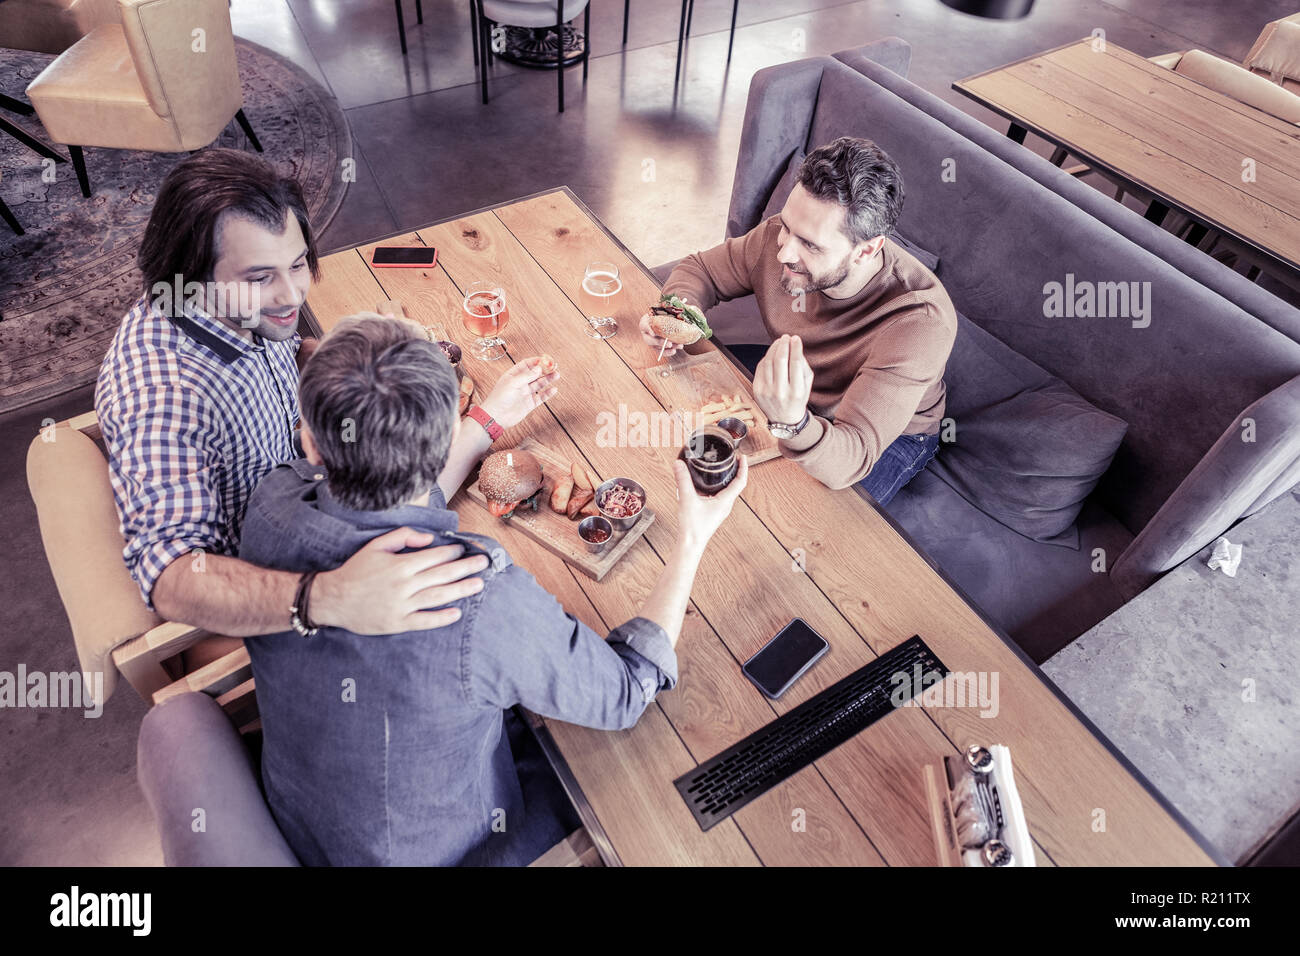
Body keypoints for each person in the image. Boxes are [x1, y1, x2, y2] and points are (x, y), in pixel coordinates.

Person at [238, 315, 749, 866]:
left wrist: (485, 423)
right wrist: (695, 533)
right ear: (440, 442)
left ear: (311, 441)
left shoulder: (271, 503)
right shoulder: (475, 597)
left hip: (303, 816)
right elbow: (624, 692)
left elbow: (391, 501)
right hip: (446, 849)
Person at [95, 149, 555, 659]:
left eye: (296, 263)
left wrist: (361, 355)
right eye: (259, 277)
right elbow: (172, 577)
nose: (294, 294)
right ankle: (482, 427)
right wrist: (329, 597)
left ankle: (482, 424)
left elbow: (289, 353)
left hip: (304, 500)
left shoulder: (228, 309)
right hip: (278, 589)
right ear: (192, 271)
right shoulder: (165, 396)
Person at [642, 136, 957, 504]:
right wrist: (677, 312)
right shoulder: (785, 233)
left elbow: (851, 457)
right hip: (799, 389)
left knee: (795, 515)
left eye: (810, 244)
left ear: (867, 249)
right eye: (787, 227)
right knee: (664, 410)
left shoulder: (920, 323)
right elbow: (702, 271)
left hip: (887, 435)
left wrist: (793, 423)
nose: (784, 250)